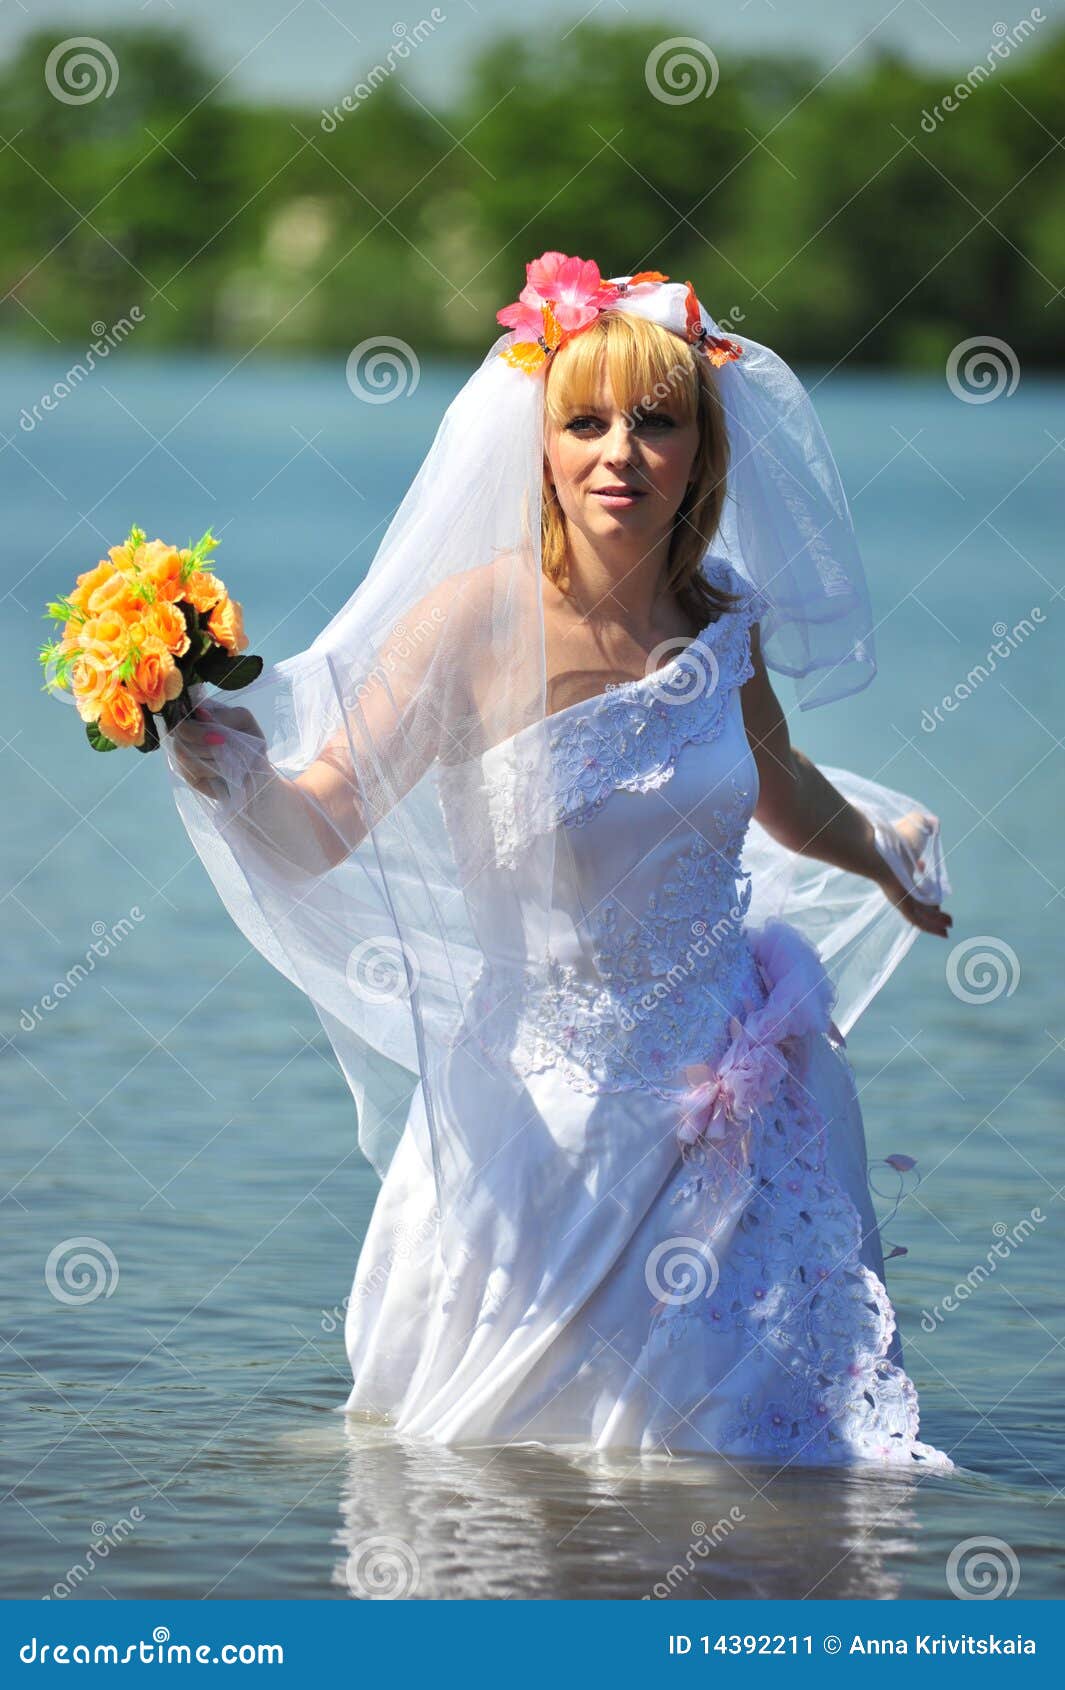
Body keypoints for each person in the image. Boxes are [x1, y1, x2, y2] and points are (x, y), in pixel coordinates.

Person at [168, 255, 954, 1468]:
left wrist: (883, 857)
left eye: (657, 422)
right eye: (583, 422)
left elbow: (785, 790)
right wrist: (231, 771)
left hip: (726, 1118)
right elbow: (319, 827)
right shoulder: (469, 623)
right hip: (543, 1122)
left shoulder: (721, 620)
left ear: (705, 449)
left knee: (761, 1462)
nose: (619, 453)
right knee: (494, 1476)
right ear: (538, 442)